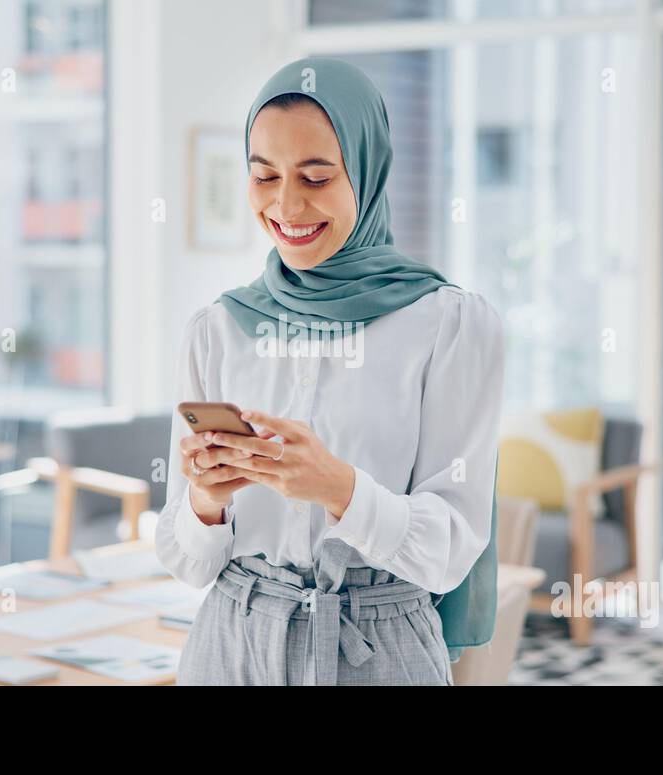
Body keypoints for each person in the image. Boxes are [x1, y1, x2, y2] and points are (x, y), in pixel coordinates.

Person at [155, 57, 504, 685]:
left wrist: (338, 487)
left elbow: (452, 545)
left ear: (368, 174)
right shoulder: (217, 329)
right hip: (229, 646)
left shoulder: (450, 325)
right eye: (264, 176)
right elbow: (186, 561)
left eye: (316, 177)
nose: (286, 204)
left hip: (379, 648)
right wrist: (206, 500)